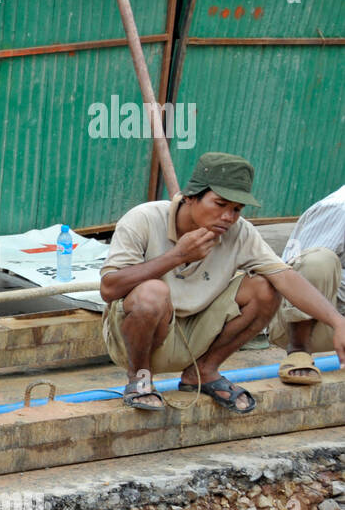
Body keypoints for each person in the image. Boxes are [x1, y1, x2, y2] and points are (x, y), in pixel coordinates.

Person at [100, 153, 345, 412]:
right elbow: (109, 288)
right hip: (140, 340)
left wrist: (338, 322)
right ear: (191, 196)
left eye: (237, 209)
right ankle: (140, 378)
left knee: (265, 287)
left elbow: (285, 277)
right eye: (220, 204)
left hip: (197, 336)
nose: (228, 216)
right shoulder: (144, 219)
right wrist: (178, 256)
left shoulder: (239, 232)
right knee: (152, 292)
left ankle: (204, 372)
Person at [269, 183, 345, 384]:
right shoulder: (339, 208)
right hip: (301, 319)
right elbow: (297, 277)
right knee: (318, 260)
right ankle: (298, 351)